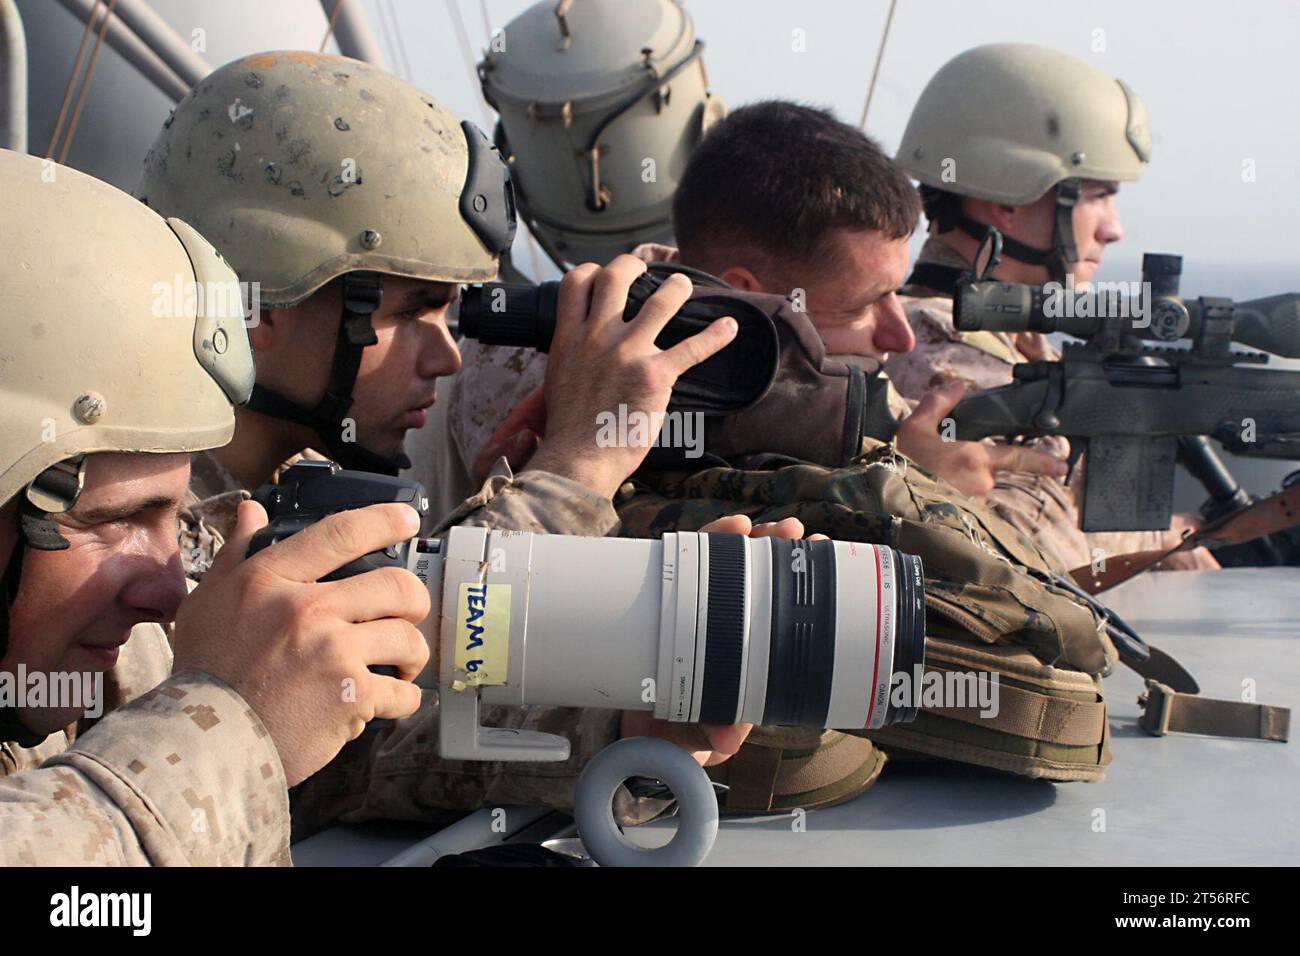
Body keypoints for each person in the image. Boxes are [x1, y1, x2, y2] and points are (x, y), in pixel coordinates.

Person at [133, 51, 761, 838]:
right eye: (411, 314)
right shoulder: (127, 537)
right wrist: (577, 466)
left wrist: (640, 738)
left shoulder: (271, 494)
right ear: (257, 302)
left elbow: (347, 749)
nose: (448, 356)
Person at [0, 149, 429, 865]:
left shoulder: (50, 651)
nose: (170, 589)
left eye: (171, 516)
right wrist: (228, 728)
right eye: (113, 520)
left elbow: (355, 762)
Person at [885, 43, 1216, 570]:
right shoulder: (939, 354)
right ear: (1009, 202)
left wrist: (1177, 547)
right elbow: (1034, 567)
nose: (1114, 228)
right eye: (1098, 195)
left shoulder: (1012, 343)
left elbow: (1088, 534)